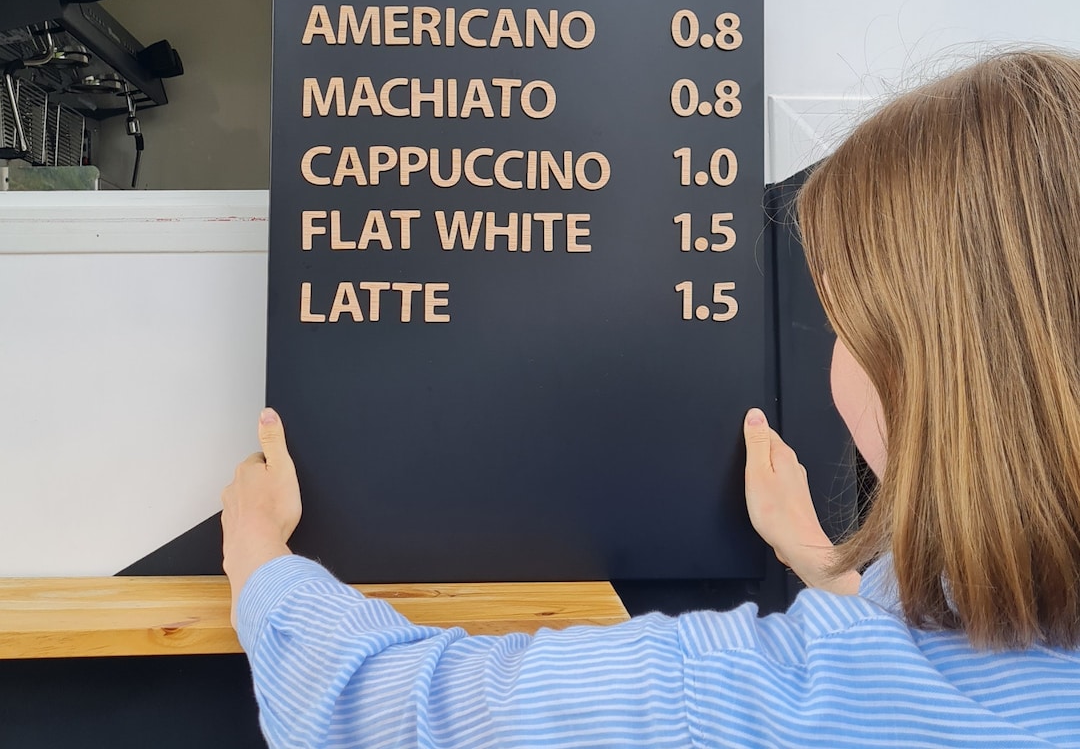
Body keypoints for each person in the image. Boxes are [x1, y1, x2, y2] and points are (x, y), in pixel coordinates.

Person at [223, 49, 1080, 747]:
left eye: (841, 327)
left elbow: (387, 712)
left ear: (916, 369)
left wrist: (259, 557)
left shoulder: (718, 703)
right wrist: (821, 562)